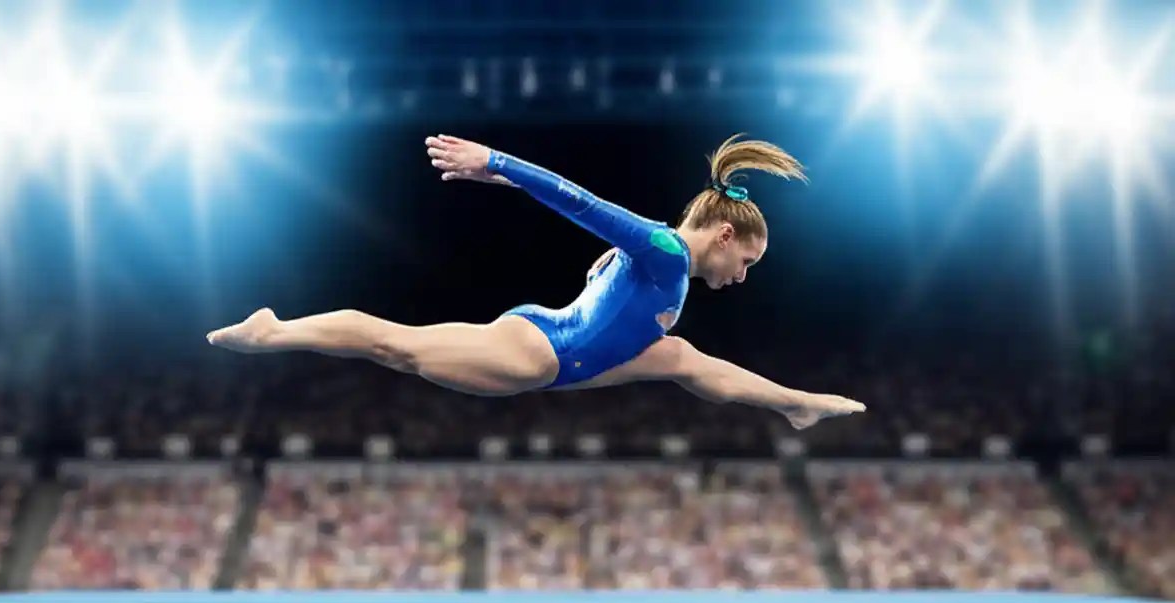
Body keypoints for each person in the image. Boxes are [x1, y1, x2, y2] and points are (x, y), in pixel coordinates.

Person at [207, 134, 864, 429]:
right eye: (746, 261)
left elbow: (612, 280)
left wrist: (504, 180)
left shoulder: (666, 268)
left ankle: (795, 403)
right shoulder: (665, 251)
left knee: (683, 359)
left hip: (560, 355)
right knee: (395, 345)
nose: (742, 277)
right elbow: (581, 201)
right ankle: (274, 330)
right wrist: (496, 162)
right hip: (538, 352)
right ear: (724, 235)